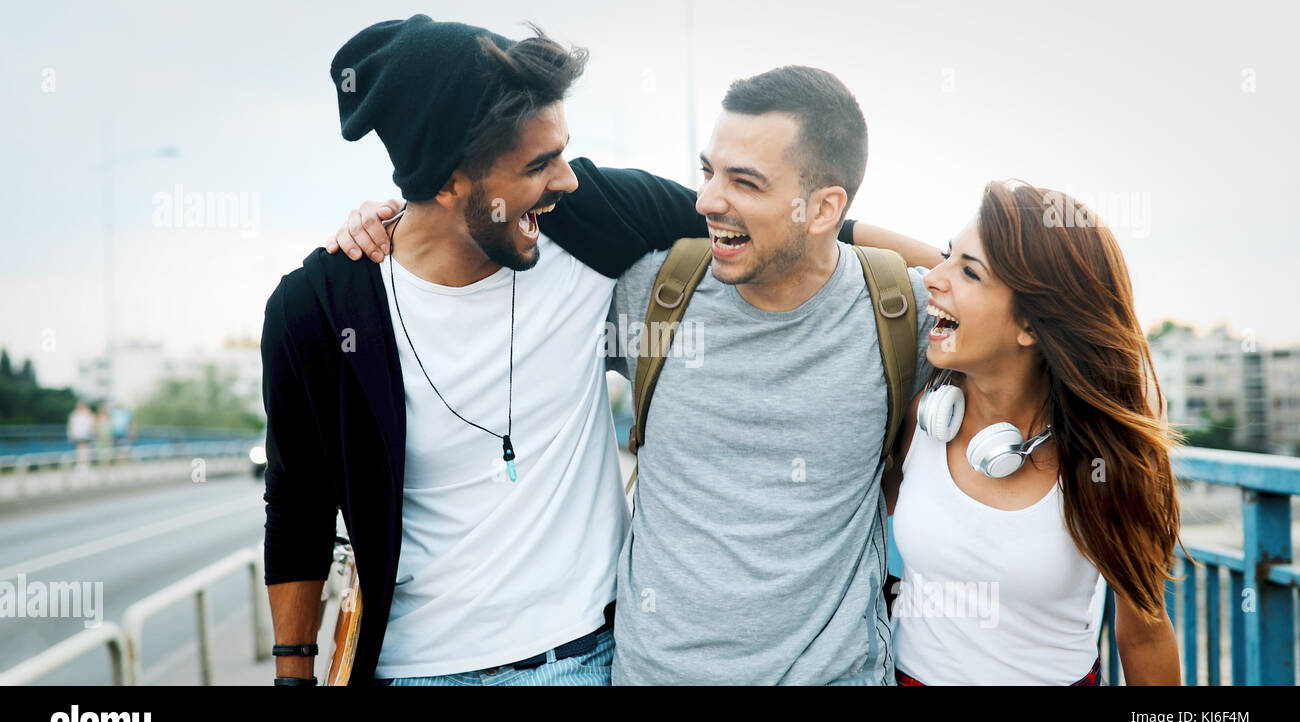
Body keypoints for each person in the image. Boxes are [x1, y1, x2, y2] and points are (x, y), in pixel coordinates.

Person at [339, 66, 940, 684]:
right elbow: (474, 300)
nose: (705, 200)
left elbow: (1020, 306)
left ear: (823, 209)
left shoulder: (904, 311)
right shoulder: (652, 294)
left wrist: (946, 262)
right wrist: (397, 225)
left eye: (745, 182)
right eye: (708, 172)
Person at [264, 16, 784, 687]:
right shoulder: (318, 308)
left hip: (590, 658)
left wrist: (945, 270)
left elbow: (770, 231)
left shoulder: (589, 218)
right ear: (449, 183)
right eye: (539, 164)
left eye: (562, 151)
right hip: (415, 671)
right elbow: (298, 502)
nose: (566, 179)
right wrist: (291, 675)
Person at [882, 181, 1182, 685]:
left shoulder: (1107, 460)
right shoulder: (925, 419)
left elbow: (1146, 635)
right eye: (946, 256)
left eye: (968, 271)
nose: (933, 277)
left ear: (1030, 325)